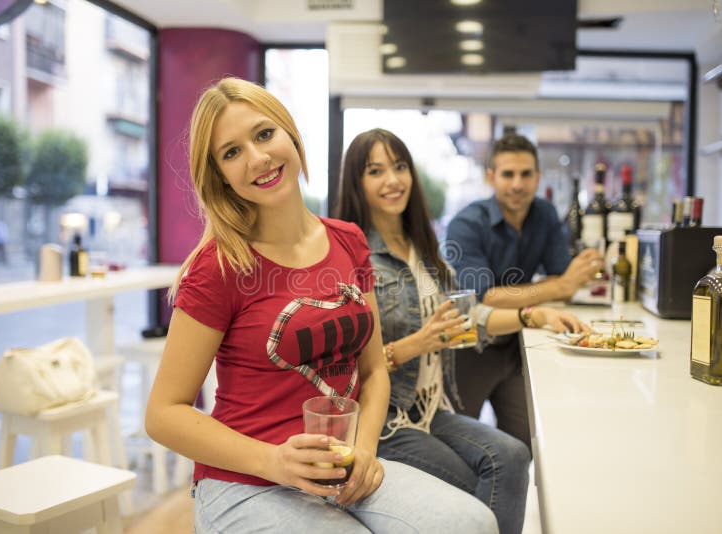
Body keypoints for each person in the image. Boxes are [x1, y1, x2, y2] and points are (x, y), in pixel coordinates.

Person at [145, 78, 499, 534]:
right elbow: (163, 413)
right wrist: (273, 460)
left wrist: (366, 449)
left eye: (263, 134)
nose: (257, 158)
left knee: (473, 523)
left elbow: (373, 372)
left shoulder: (347, 241)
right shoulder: (218, 268)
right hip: (246, 481)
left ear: (291, 134)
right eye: (231, 153)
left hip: (341, 468)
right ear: (219, 175)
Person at [336, 128, 589, 533]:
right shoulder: (352, 254)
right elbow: (346, 362)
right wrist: (417, 343)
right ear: (356, 182)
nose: (393, 180)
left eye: (400, 167)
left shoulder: (423, 246)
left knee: (513, 453)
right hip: (385, 421)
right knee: (481, 483)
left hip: (432, 409)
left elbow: (468, 317)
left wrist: (532, 316)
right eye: (375, 171)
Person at [445, 132, 602, 445]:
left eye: (526, 174)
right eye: (508, 174)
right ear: (491, 177)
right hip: (469, 347)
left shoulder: (543, 214)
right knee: (460, 446)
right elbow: (485, 297)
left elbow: (565, 284)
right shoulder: (466, 224)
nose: (517, 184)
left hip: (519, 345)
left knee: (524, 445)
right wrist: (558, 286)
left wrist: (569, 280)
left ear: (537, 177)